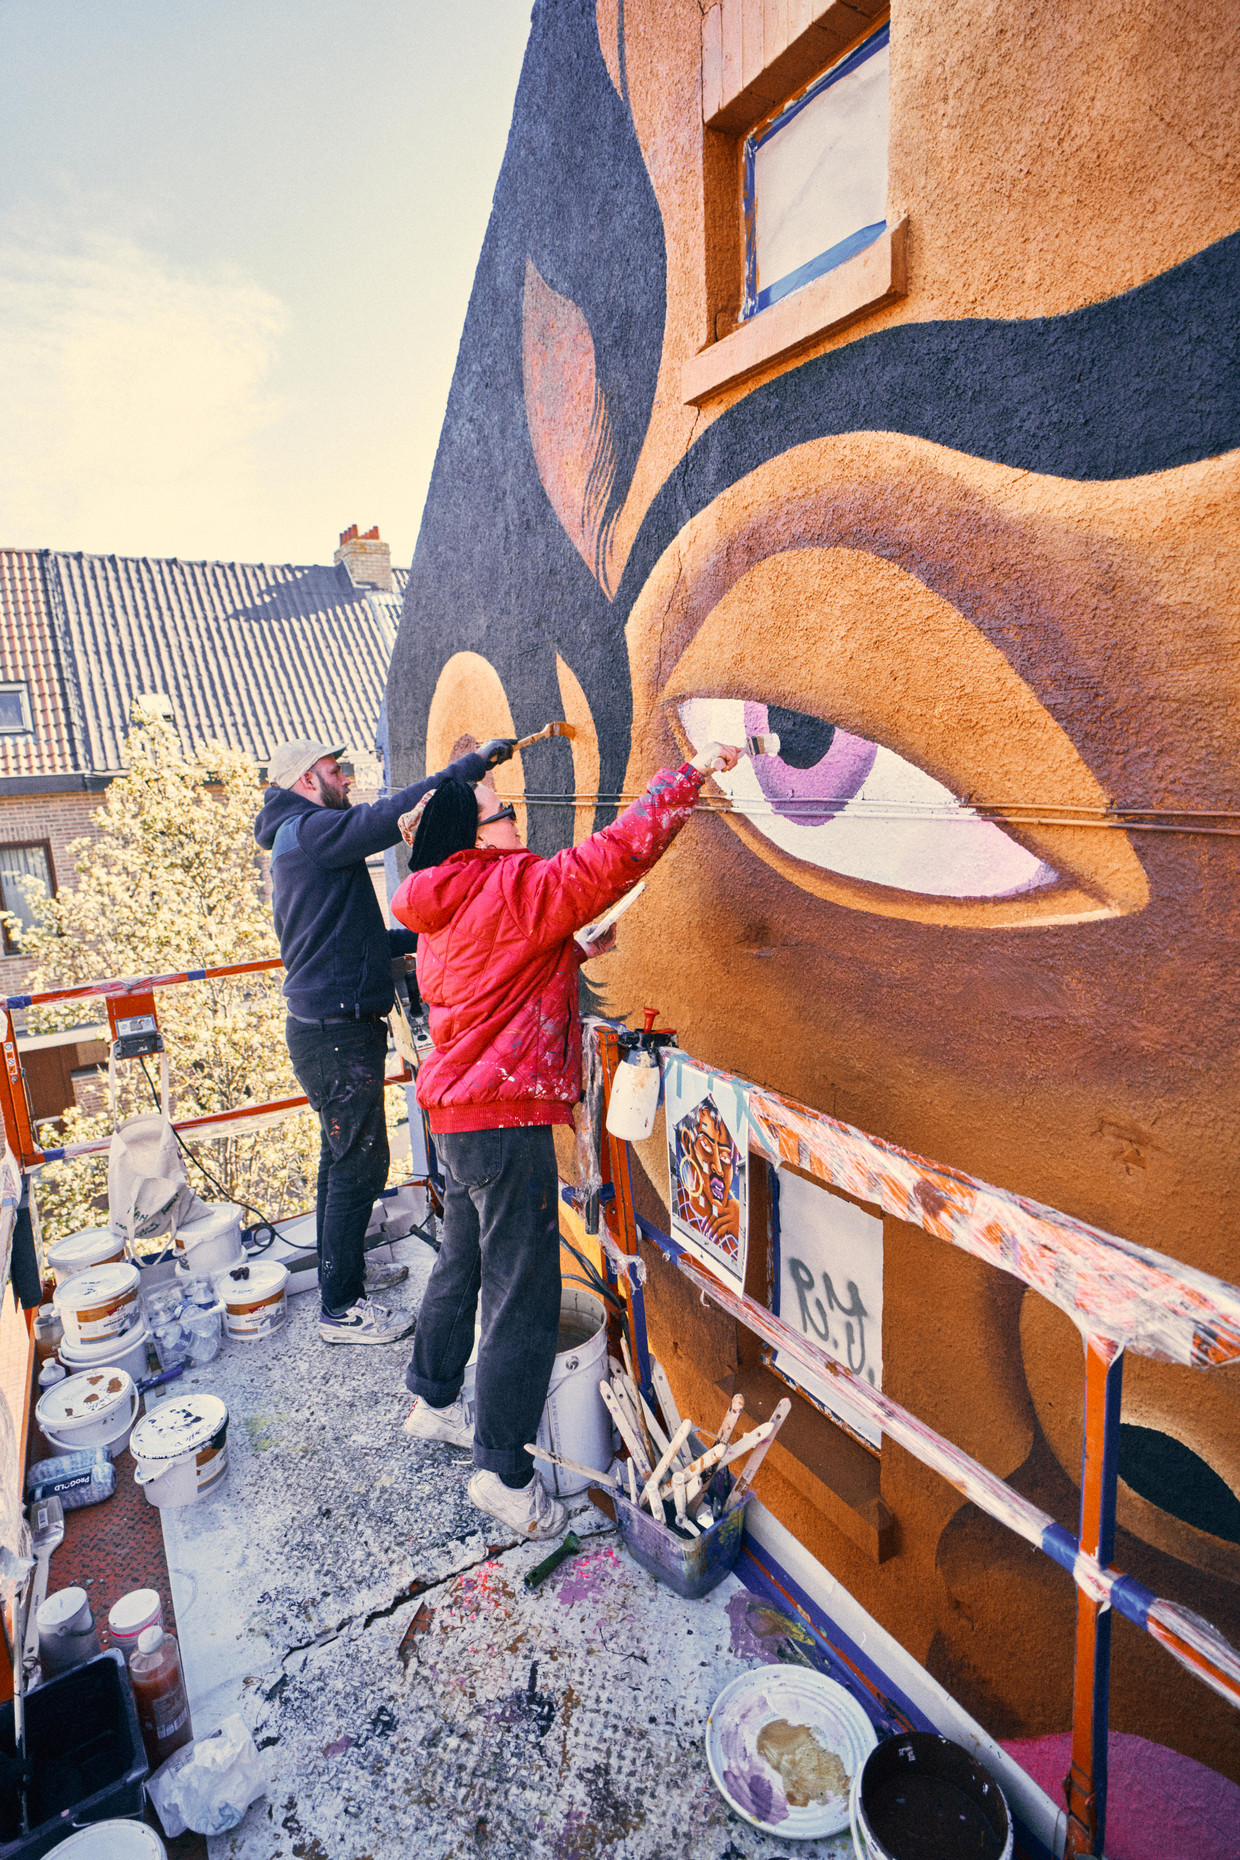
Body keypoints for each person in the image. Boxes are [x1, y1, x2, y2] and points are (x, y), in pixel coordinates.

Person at [390, 740, 741, 1538]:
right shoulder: (512, 884)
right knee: (524, 1299)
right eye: (503, 811)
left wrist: (571, 946)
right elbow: (612, 856)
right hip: (503, 1121)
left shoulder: (442, 897)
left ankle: (432, 1395)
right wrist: (688, 777)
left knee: (464, 1258)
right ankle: (503, 1476)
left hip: (455, 1118)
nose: (517, 818)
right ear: (479, 836)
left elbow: (491, 970)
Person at [255, 734, 515, 1345]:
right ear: (304, 782)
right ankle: (341, 1309)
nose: (345, 777)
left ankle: (339, 1279)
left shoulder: (299, 838)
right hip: (336, 1035)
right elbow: (383, 816)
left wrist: (432, 936)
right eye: (333, 770)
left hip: (329, 1028)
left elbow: (356, 938)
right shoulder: (312, 831)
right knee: (358, 1166)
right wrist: (468, 770)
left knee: (343, 1162)